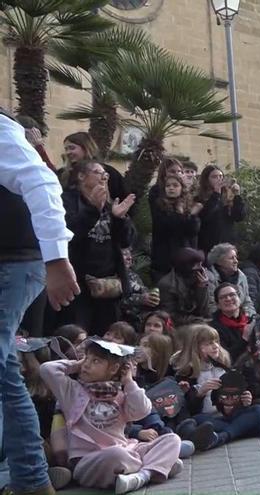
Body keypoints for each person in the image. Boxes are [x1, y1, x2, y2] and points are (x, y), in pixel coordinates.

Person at [0, 110, 80, 495]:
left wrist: (57, 259)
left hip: (13, 263)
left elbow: (40, 180)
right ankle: (26, 477)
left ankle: (31, 478)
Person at [40, 339, 183, 493]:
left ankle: (143, 475)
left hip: (127, 449)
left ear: (114, 368)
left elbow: (143, 410)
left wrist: (129, 382)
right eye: (86, 358)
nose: (87, 365)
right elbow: (47, 369)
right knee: (116, 455)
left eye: (95, 361)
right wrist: (76, 364)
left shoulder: (120, 393)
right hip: (91, 460)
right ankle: (156, 466)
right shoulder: (72, 391)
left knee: (172, 439)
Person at [62, 159, 136, 334]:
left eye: (106, 174)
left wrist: (119, 220)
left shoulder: (110, 205)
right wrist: (92, 209)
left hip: (108, 284)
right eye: (98, 172)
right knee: (77, 335)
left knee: (108, 336)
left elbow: (126, 241)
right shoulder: (67, 200)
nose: (104, 177)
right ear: (81, 176)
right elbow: (69, 234)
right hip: (79, 283)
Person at [171, 324, 260, 450]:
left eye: (216, 342)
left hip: (227, 415)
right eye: (207, 344)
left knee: (259, 409)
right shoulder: (186, 372)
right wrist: (199, 393)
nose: (215, 346)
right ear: (194, 348)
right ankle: (238, 429)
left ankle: (220, 437)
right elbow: (188, 410)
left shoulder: (224, 367)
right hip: (206, 417)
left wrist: (244, 401)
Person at [150, 174, 201, 282]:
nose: (171, 188)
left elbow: (193, 230)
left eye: (175, 185)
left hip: (185, 260)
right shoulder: (160, 206)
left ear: (182, 188)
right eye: (168, 186)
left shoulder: (188, 205)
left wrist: (191, 215)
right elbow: (168, 226)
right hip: (164, 262)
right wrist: (181, 214)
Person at [61, 132, 128, 201]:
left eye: (72, 148)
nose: (68, 152)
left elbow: (121, 198)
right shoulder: (62, 174)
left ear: (86, 148)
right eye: (66, 149)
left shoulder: (109, 172)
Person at [196, 165, 245, 255]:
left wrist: (237, 196)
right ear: (206, 180)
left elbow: (239, 216)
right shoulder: (200, 198)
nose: (219, 179)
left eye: (221, 176)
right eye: (214, 177)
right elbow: (205, 215)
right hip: (209, 246)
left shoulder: (227, 197)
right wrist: (216, 194)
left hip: (227, 245)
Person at [157, 248, 211, 325]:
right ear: (187, 266)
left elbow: (205, 309)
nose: (201, 268)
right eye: (197, 264)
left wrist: (202, 288)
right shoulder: (167, 284)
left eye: (201, 264)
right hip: (180, 325)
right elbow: (170, 315)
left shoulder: (202, 278)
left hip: (200, 321)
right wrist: (196, 321)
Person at [210, 283, 258, 363]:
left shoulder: (252, 321)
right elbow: (224, 357)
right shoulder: (214, 327)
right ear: (218, 304)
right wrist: (244, 339)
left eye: (232, 295)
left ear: (239, 298)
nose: (228, 299)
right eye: (223, 297)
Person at [206, 243, 256, 317]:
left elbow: (247, 302)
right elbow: (211, 306)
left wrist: (249, 317)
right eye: (231, 258)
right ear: (219, 261)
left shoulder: (241, 276)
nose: (236, 261)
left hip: (241, 319)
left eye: (236, 257)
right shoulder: (209, 277)